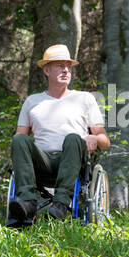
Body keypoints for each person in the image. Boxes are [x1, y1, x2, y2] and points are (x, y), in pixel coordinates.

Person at [10, 44, 109, 223]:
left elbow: (105, 141)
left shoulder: (85, 99)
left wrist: (94, 137)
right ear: (46, 70)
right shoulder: (33, 101)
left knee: (72, 138)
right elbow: (20, 141)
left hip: (72, 160)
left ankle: (61, 204)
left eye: (68, 66)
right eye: (60, 66)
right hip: (43, 163)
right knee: (19, 139)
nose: (66, 70)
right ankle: (27, 203)